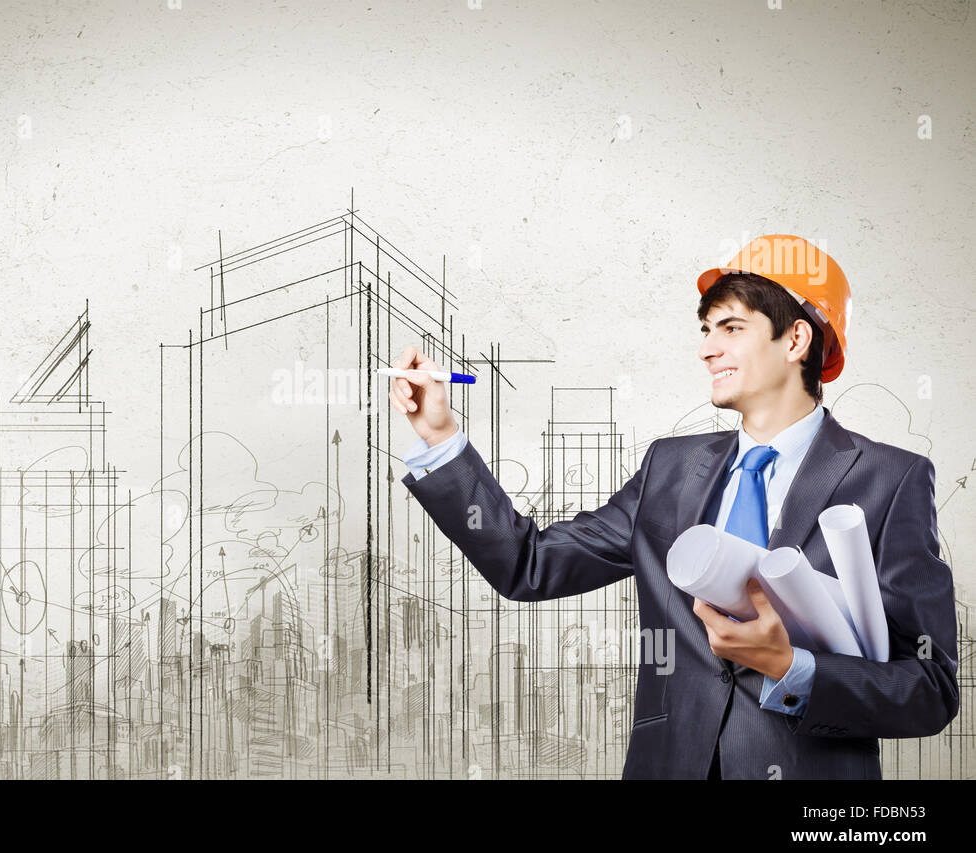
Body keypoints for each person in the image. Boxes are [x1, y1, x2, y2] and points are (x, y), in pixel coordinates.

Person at [388, 235, 959, 779]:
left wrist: (793, 670)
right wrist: (441, 441)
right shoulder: (671, 470)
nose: (708, 348)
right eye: (707, 329)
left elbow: (931, 688)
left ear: (796, 341)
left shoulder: (891, 479)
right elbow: (528, 564)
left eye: (732, 328)